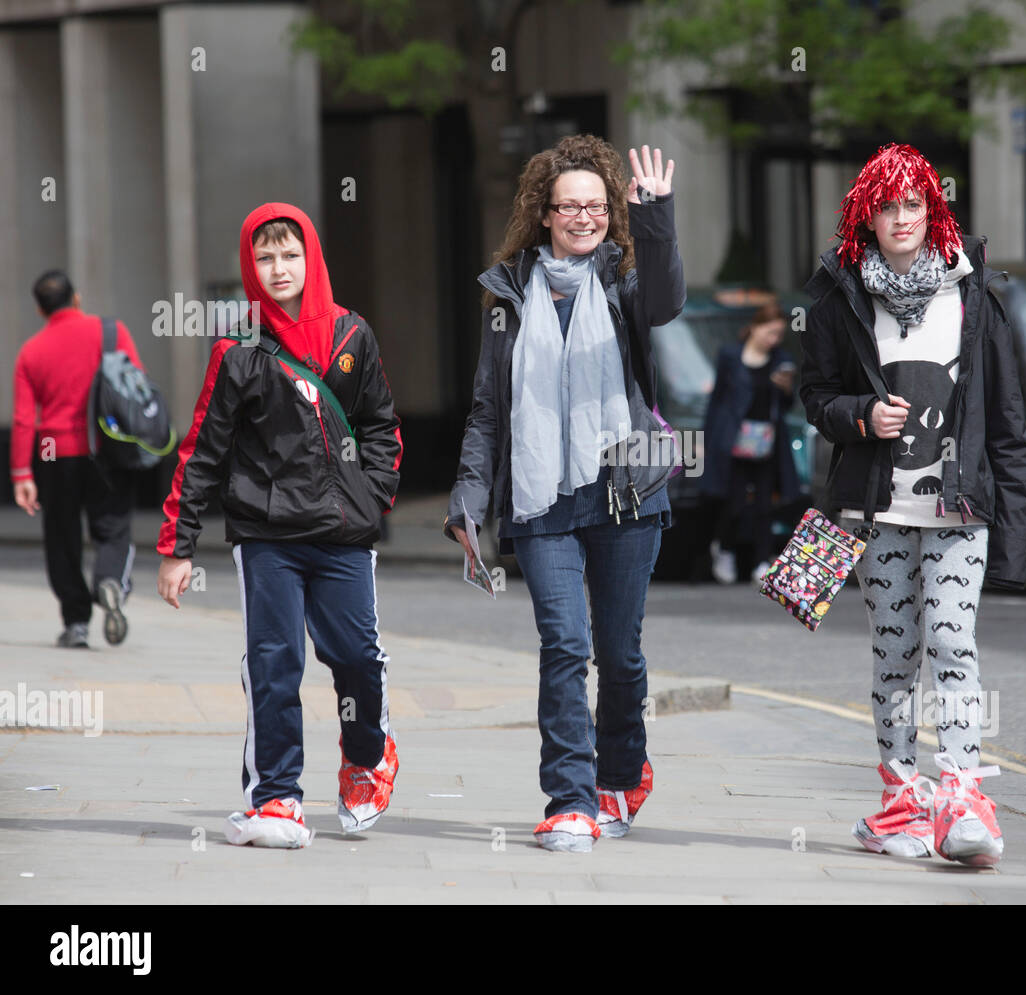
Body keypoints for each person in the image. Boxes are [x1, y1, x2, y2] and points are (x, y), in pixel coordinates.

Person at [445, 136, 684, 852]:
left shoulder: (626, 281)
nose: (583, 217)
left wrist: (658, 218)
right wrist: (468, 499)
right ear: (543, 214)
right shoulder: (506, 293)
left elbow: (668, 301)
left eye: (596, 205)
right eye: (568, 206)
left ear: (612, 212)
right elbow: (489, 408)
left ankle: (620, 770)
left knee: (621, 653)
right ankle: (570, 799)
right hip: (539, 494)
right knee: (563, 643)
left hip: (624, 491)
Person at [801, 143, 1026, 865]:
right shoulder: (839, 296)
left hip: (959, 511)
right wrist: (861, 416)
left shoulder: (972, 296)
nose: (900, 217)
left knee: (953, 644)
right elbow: (815, 395)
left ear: (932, 209)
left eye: (912, 203)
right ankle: (903, 800)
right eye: (886, 205)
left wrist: (1016, 540)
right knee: (895, 655)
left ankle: (963, 794)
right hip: (878, 508)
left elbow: (1007, 422)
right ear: (864, 216)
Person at [156, 203, 403, 849]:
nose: (279, 267)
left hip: (344, 533)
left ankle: (368, 756)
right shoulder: (237, 351)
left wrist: (371, 497)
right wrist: (177, 548)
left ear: (310, 257)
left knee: (357, 658)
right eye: (264, 257)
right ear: (251, 267)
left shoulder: (353, 336)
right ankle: (276, 798)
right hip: (267, 537)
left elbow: (381, 426)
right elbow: (202, 452)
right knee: (273, 662)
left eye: (289, 254)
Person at [10, 271, 140, 648]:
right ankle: (110, 581)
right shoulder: (112, 332)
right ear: (77, 298)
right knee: (113, 526)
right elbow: (136, 384)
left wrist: (21, 473)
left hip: (55, 453)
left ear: (39, 308)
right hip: (108, 449)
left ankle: (76, 623)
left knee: (62, 537)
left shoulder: (31, 351)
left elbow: (23, 419)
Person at [701, 301, 800, 584]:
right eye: (770, 332)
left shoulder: (781, 360)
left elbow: (787, 404)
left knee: (764, 504)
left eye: (779, 334)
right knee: (732, 502)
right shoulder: (731, 355)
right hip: (733, 440)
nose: (774, 339)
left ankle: (761, 560)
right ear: (756, 328)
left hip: (766, 442)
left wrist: (785, 389)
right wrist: (707, 440)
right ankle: (725, 548)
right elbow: (717, 399)